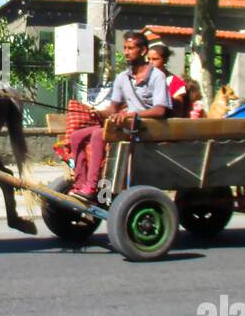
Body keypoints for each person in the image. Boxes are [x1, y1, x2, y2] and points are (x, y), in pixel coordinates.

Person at [68, 31, 173, 201]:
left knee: (97, 134)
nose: (126, 52)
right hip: (126, 125)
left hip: (145, 128)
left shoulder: (157, 76)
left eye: (130, 48)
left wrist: (130, 115)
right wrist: (98, 112)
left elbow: (160, 110)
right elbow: (113, 108)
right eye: (124, 48)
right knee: (76, 136)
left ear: (143, 51)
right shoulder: (122, 78)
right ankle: (80, 184)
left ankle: (92, 187)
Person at [146, 41, 189, 118]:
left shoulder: (175, 82)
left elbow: (178, 108)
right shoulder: (142, 79)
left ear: (165, 60)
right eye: (149, 59)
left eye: (155, 59)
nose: (151, 63)